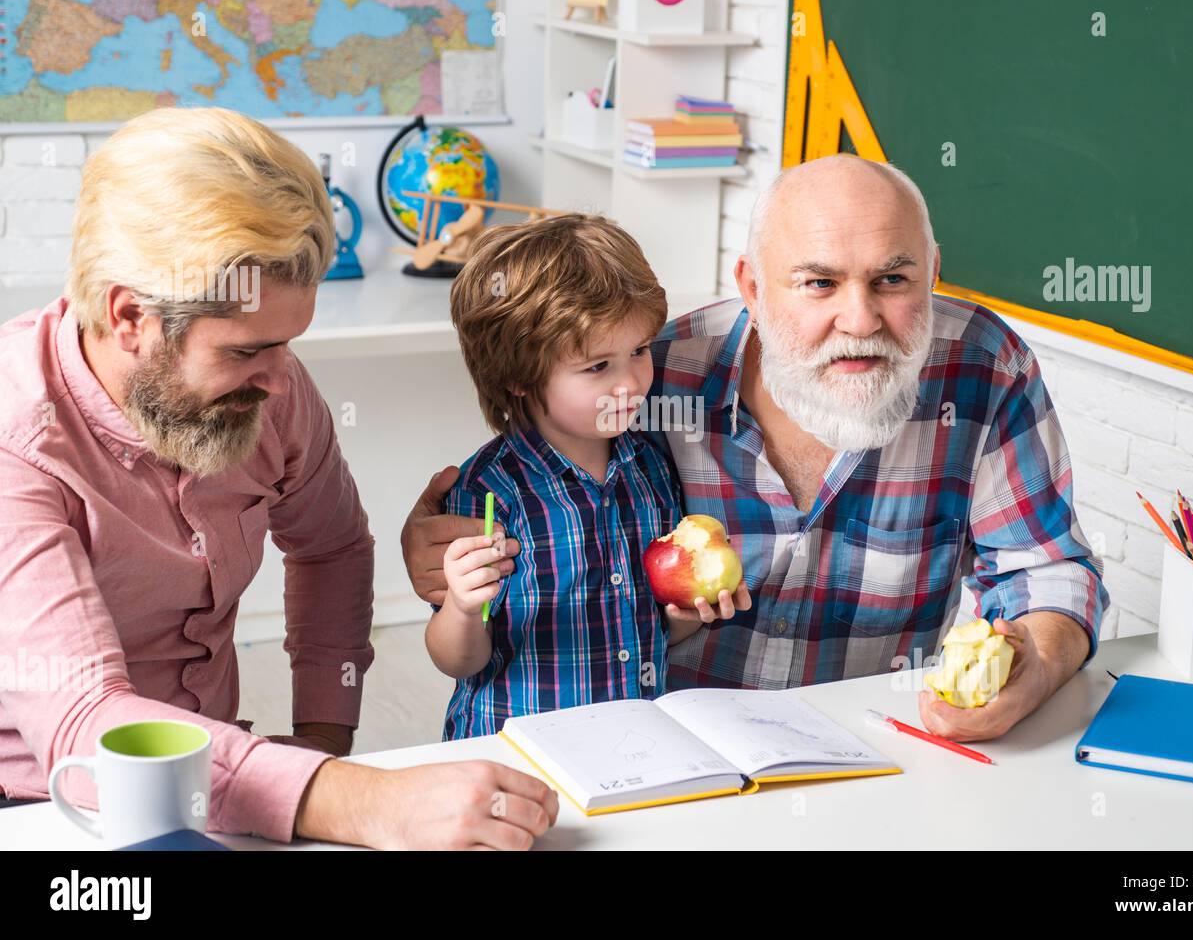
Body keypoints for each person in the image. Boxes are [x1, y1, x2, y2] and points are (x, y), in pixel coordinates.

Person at [402, 154, 1109, 745]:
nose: (859, 319)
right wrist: (437, 553)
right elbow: (539, 466)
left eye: (893, 279)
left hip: (868, 754)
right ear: (752, 286)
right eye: (819, 282)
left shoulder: (984, 370)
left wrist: (1034, 664)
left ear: (932, 269)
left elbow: (1047, 569)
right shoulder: (656, 375)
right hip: (661, 756)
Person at [0, 106, 557, 848]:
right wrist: (362, 800)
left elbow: (330, 546)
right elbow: (85, 721)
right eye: (244, 351)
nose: (277, 379)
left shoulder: (272, 383)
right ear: (130, 315)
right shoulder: (17, 442)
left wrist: (323, 742)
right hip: (45, 801)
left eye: (288, 343)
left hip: (219, 775)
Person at [429, 214, 750, 739]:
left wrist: (693, 611)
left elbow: (654, 631)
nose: (632, 381)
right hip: (518, 750)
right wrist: (464, 607)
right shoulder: (487, 492)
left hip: (633, 745)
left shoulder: (651, 466)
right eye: (598, 367)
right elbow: (458, 662)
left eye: (640, 351)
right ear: (516, 375)